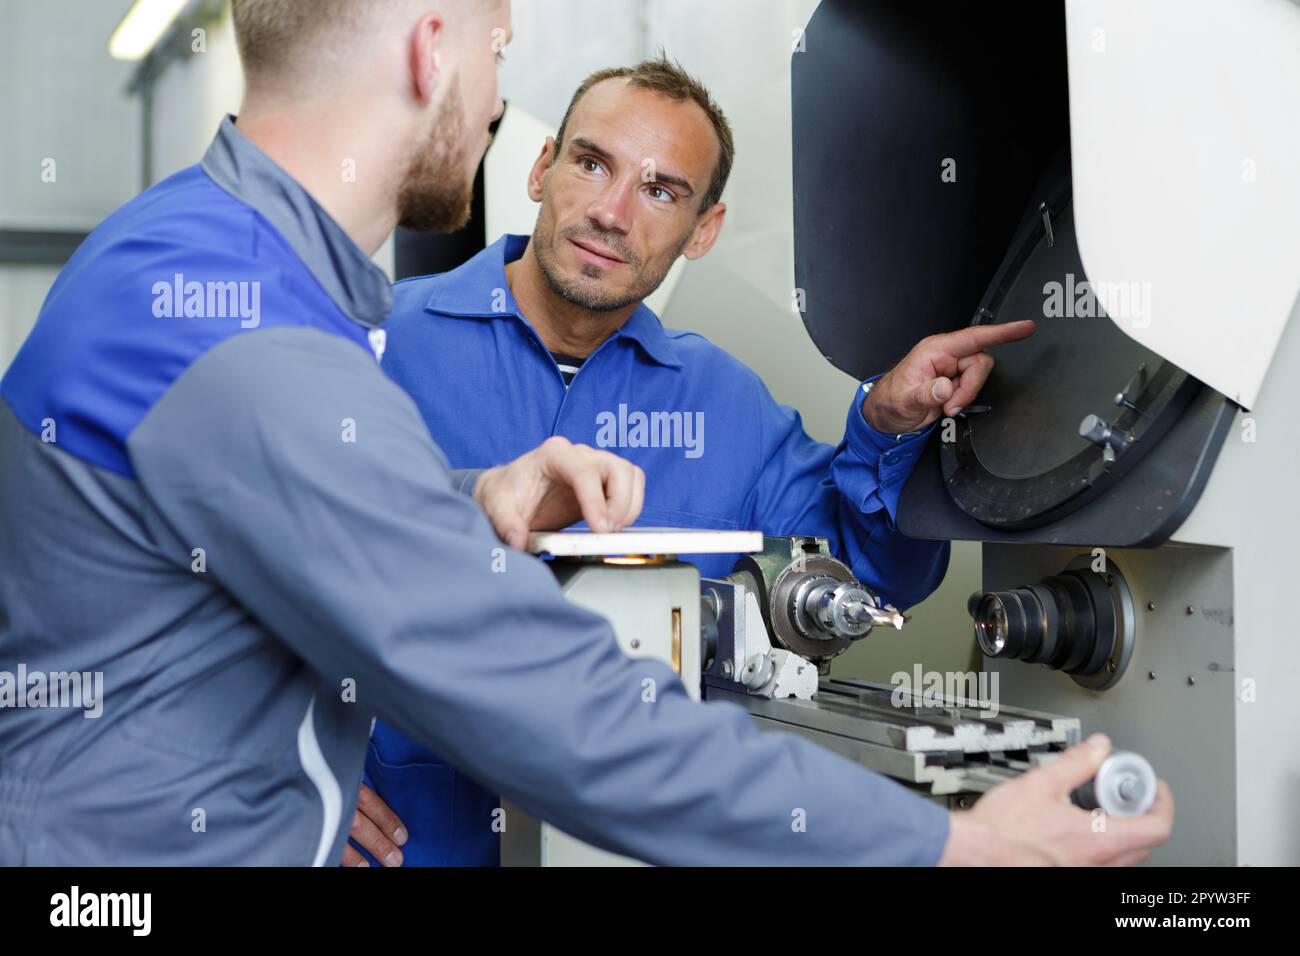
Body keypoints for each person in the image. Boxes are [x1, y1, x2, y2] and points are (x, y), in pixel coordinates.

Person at [0, 0, 1172, 867]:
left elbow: (201, 546)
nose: (612, 208)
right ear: (432, 47)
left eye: (661, 190)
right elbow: (533, 693)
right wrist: (950, 847)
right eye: (499, 48)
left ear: (701, 230)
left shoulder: (207, 270)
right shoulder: (260, 330)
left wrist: (469, 500)